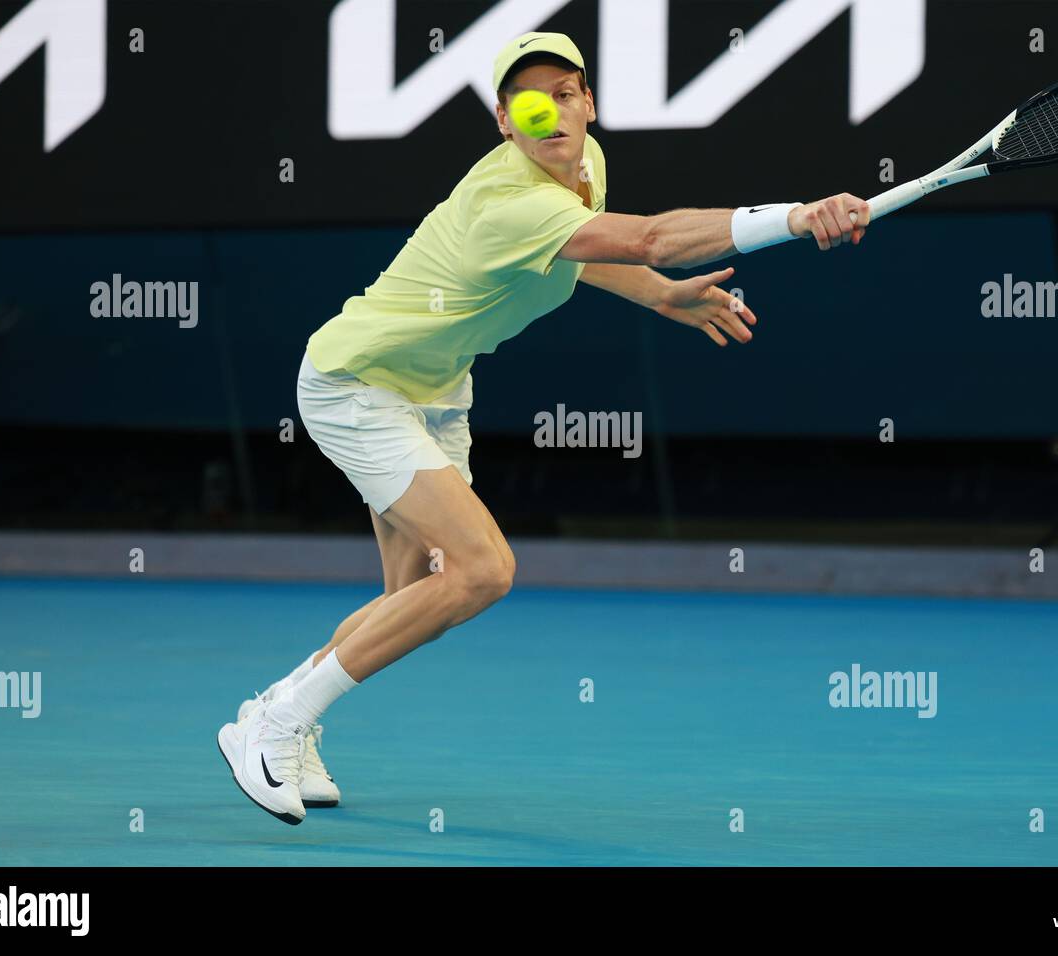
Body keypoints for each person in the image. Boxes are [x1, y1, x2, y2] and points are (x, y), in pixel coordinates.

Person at [217, 32, 870, 824]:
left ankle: (277, 714)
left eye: (566, 92)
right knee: (483, 569)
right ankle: (275, 726)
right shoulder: (506, 199)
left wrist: (663, 297)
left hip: (434, 389)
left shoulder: (585, 165)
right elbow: (654, 237)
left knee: (417, 594)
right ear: (504, 122)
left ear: (588, 102)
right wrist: (798, 218)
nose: (552, 111)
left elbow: (579, 252)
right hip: (357, 385)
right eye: (530, 101)